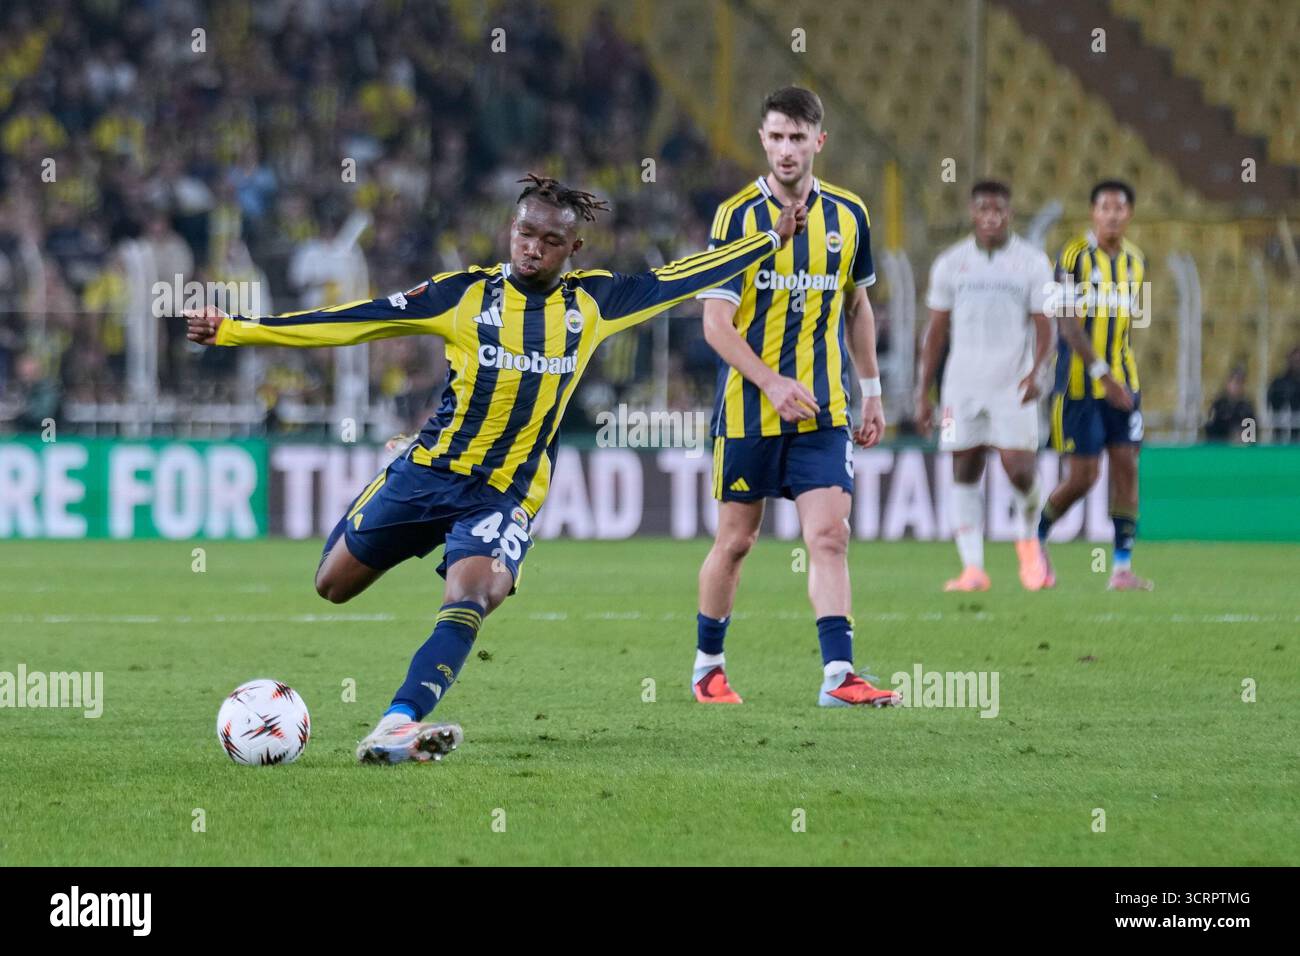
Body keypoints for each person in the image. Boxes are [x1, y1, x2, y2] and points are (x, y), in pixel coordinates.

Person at [185, 174, 807, 764]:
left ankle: (399, 722)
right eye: (525, 234)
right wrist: (240, 330)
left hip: (504, 493)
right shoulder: (463, 294)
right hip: (428, 471)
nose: (533, 249)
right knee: (331, 584)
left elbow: (679, 277)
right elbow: (357, 320)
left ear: (573, 248)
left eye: (550, 241)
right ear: (511, 230)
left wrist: (768, 239)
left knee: (475, 592)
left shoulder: (594, 303)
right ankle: (400, 507)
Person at [691, 87, 898, 709]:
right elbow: (715, 325)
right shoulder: (735, 219)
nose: (786, 149)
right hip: (750, 410)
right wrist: (772, 383)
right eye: (776, 136)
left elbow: (859, 304)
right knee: (736, 541)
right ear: (763, 140)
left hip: (825, 408)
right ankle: (708, 667)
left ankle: (839, 677)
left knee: (830, 536)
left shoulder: (850, 215)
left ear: (818, 142)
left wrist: (873, 389)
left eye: (797, 137)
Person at [916, 180, 1053, 592]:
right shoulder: (951, 263)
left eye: (999, 209)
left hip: (1014, 384)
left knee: (1020, 470)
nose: (991, 216)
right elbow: (935, 333)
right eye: (983, 209)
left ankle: (1029, 540)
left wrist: (1038, 372)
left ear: (1009, 214)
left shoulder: (1032, 263)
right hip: (962, 386)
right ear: (973, 213)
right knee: (965, 466)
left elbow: (1046, 325)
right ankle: (973, 569)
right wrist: (924, 391)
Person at [1037, 180, 1152, 590]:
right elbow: (1067, 324)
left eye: (1120, 208)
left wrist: (1123, 378)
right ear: (1093, 212)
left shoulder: (1137, 263)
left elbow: (1128, 328)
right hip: (1079, 388)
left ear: (1130, 214)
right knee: (1083, 478)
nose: (1113, 214)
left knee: (1126, 469)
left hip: (1124, 386)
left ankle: (1121, 568)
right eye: (1105, 207)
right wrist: (1103, 374)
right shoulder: (1072, 257)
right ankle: (1038, 537)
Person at [1204, 366, 1256, 442]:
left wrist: (1242, 436)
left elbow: (1252, 432)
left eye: (1240, 383)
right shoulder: (1219, 405)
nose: (1236, 387)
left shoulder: (1247, 407)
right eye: (1234, 382)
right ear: (1228, 383)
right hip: (1221, 448)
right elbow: (1210, 429)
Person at [1266, 345, 1300, 442]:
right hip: (1279, 435)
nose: (1297, 364)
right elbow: (1269, 405)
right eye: (1295, 361)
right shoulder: (1278, 383)